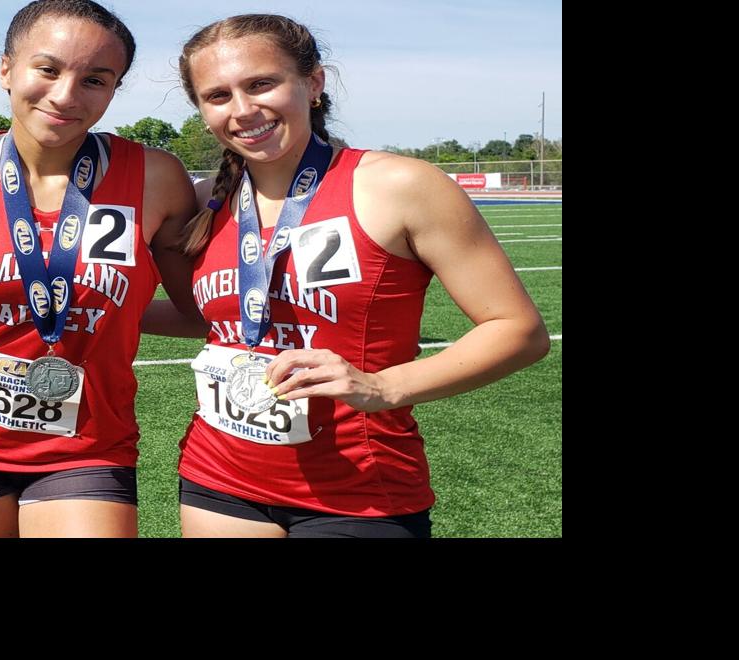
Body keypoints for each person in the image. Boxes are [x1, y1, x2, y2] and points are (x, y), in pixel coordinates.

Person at [170, 14, 550, 537]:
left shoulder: (399, 185)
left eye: (262, 84)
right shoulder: (205, 200)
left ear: (314, 83)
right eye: (218, 95)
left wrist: (382, 386)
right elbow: (209, 319)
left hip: (358, 493)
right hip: (219, 480)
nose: (242, 110)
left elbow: (518, 330)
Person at [0, 0, 201, 539]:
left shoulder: (154, 177)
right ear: (7, 68)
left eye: (95, 79)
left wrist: (110, 313)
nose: (65, 95)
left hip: (90, 441)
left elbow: (199, 311)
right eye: (48, 69)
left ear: (115, 89)